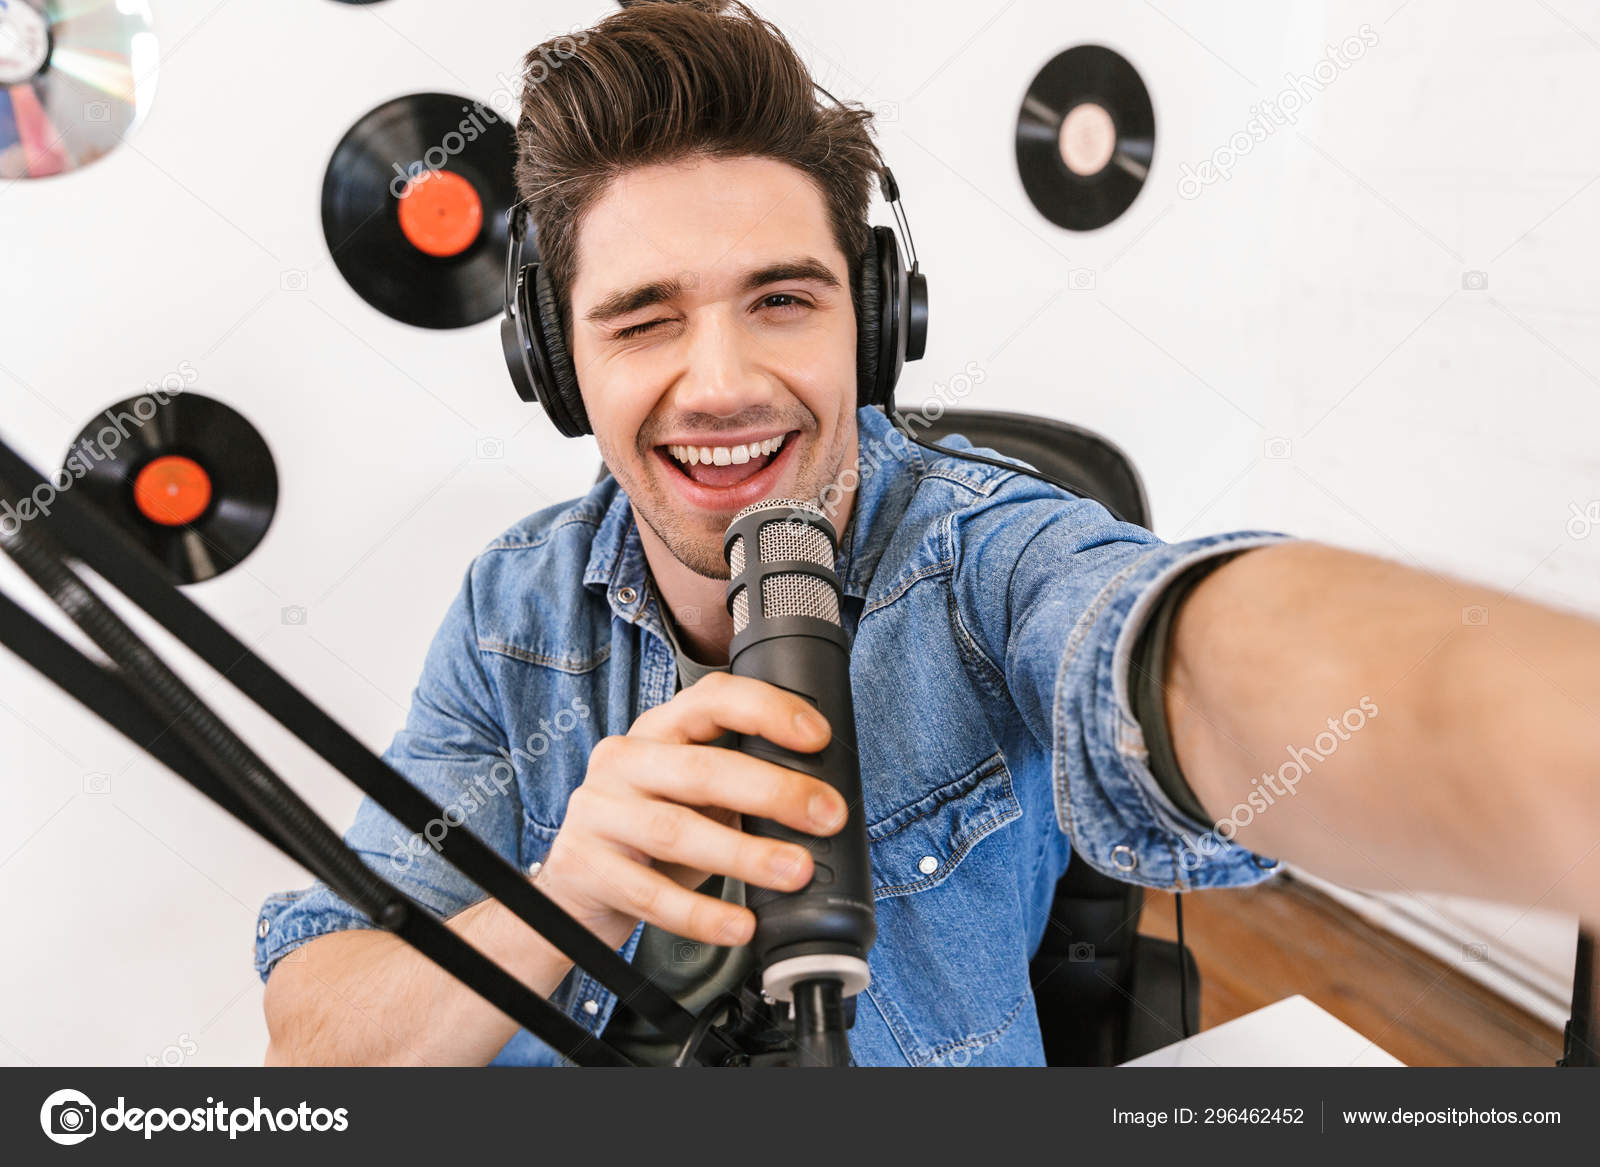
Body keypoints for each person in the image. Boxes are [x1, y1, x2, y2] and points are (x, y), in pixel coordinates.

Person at [256, 0, 1599, 1066]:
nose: (720, 380)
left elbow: (1184, 657)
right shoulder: (514, 611)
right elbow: (320, 1046)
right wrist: (565, 901)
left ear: (876, 320)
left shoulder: (987, 556)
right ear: (554, 365)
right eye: (645, 316)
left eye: (781, 298)